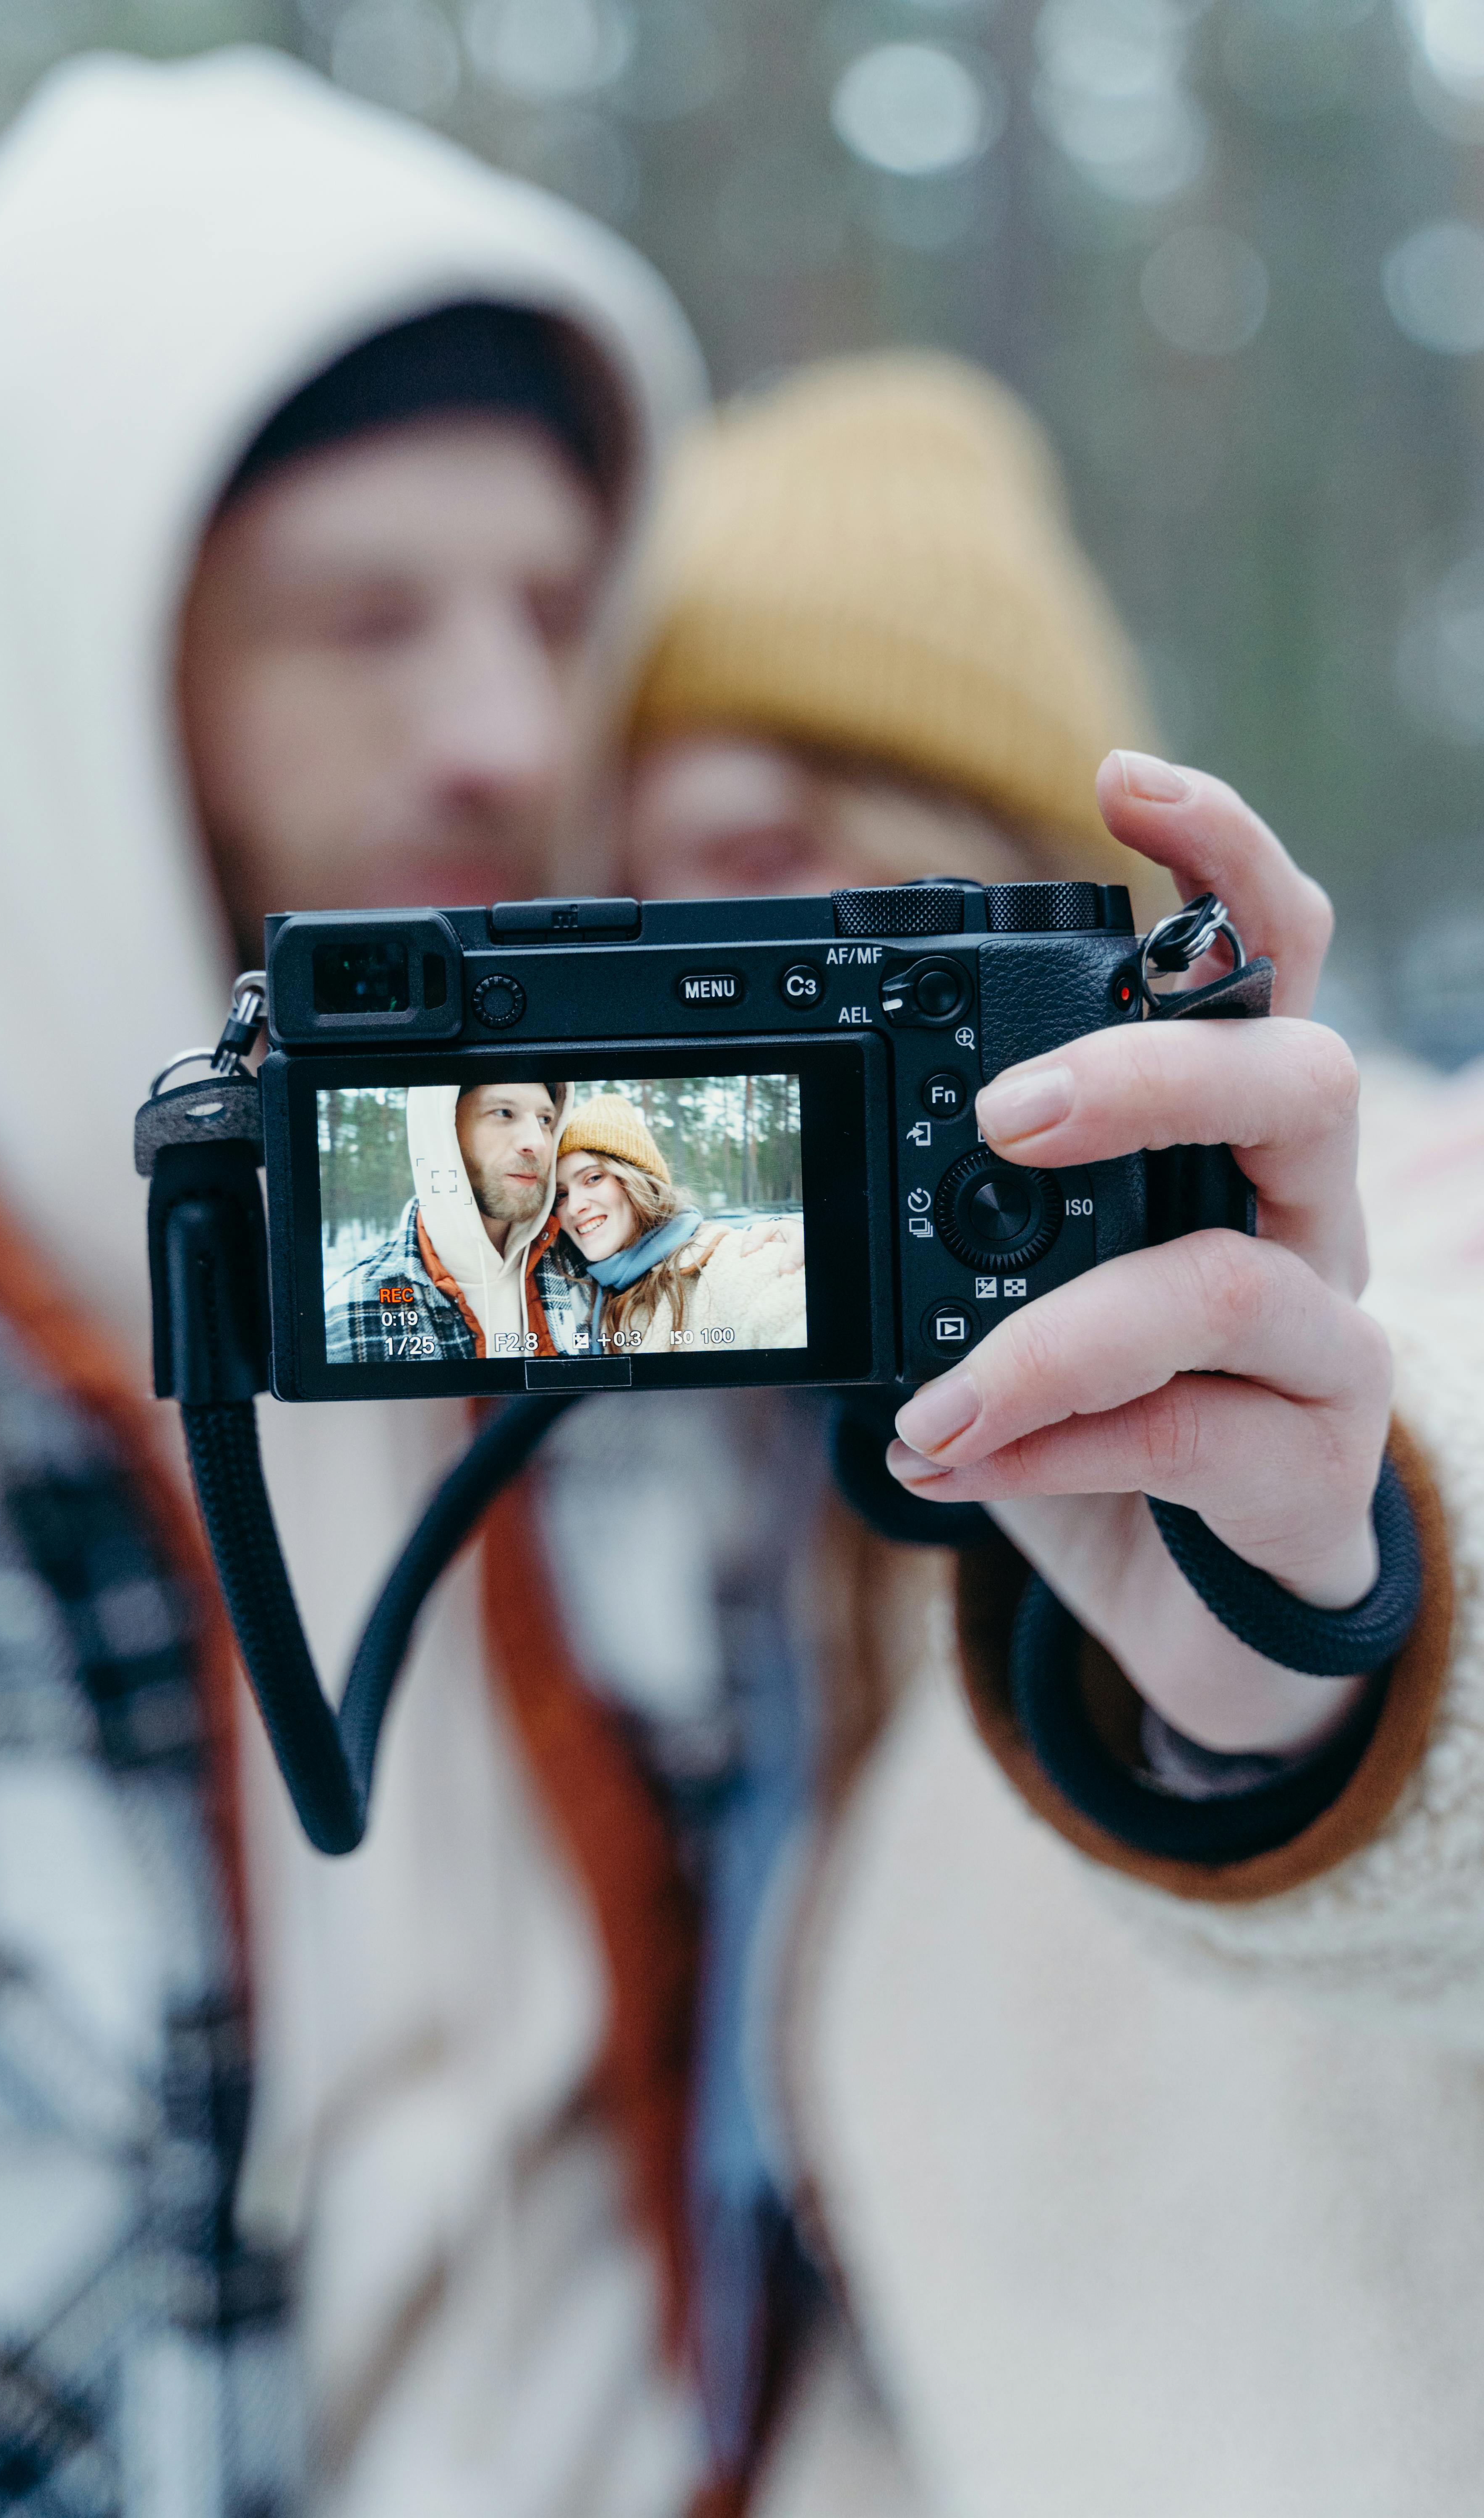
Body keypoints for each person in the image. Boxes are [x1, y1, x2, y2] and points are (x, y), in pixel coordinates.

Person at [449, 354, 1484, 2518]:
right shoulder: (738, 1460)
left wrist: (1315, 1658)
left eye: (768, 867)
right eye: (637, 914)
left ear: (997, 878)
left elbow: (1413, 1501)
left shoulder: (1396, 1226)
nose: (708, 985)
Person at [0, 44, 704, 2516]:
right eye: (365, 619)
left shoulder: (649, 1220)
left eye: (552, 604)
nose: (510, 729)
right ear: (76, 668)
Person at [324, 1077, 589, 1360]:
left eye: (545, 1119)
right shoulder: (350, 1308)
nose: (536, 1142)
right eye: (504, 1113)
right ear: (442, 1131)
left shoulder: (583, 1268)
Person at [551, 1093, 807, 1353]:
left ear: (639, 1180)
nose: (573, 1207)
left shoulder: (727, 1259)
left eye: (593, 1178)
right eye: (561, 1195)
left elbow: (793, 1316)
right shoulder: (584, 1286)